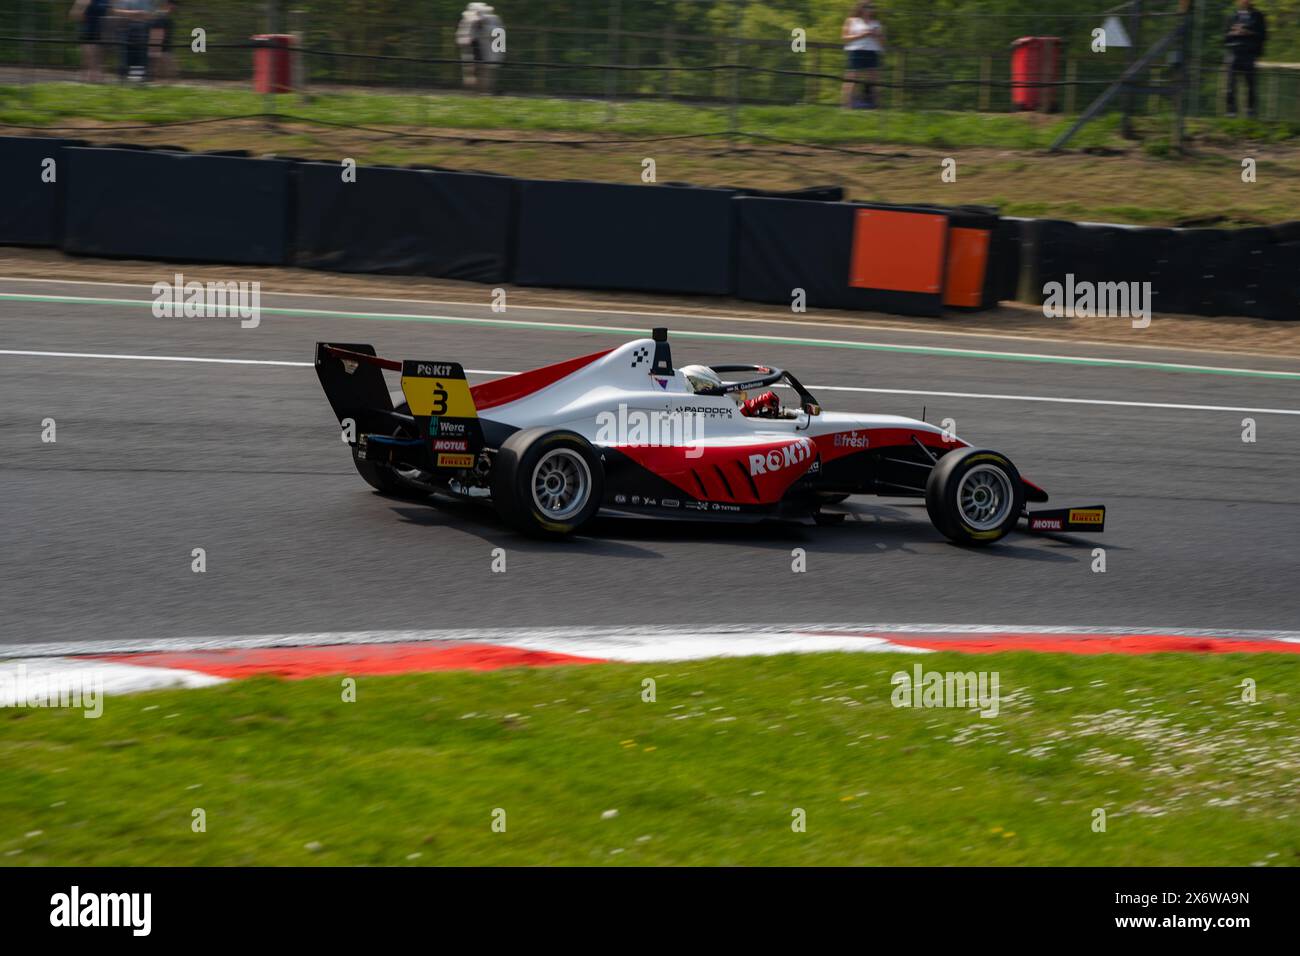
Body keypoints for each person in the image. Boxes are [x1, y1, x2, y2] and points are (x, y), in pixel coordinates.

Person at [1225, 0, 1267, 118]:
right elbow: (1225, 37)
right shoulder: (1232, 17)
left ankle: (1250, 110)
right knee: (1230, 85)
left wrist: (1248, 32)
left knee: (1250, 84)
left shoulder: (1258, 16)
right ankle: (1231, 111)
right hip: (1234, 52)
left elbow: (1263, 36)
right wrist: (1233, 32)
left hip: (1249, 53)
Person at [841, 1, 885, 110]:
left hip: (872, 52)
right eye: (868, 7)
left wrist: (877, 35)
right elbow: (844, 38)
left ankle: (876, 106)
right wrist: (862, 35)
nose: (870, 9)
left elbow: (883, 42)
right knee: (852, 79)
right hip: (856, 51)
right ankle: (847, 106)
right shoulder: (851, 21)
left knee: (874, 80)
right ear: (861, 8)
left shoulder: (876, 23)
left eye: (872, 7)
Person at [69, 0, 110, 82]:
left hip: (102, 33)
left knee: (99, 61)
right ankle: (85, 81)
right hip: (87, 32)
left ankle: (98, 82)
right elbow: (73, 15)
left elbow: (111, 13)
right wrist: (81, 10)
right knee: (89, 58)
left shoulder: (106, 1)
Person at [149, 0, 177, 81]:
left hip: (165, 48)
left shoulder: (165, 17)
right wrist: (155, 50)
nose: (175, 8)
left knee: (169, 72)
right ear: (168, 5)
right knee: (167, 72)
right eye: (173, 5)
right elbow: (157, 33)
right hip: (162, 49)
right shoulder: (160, 17)